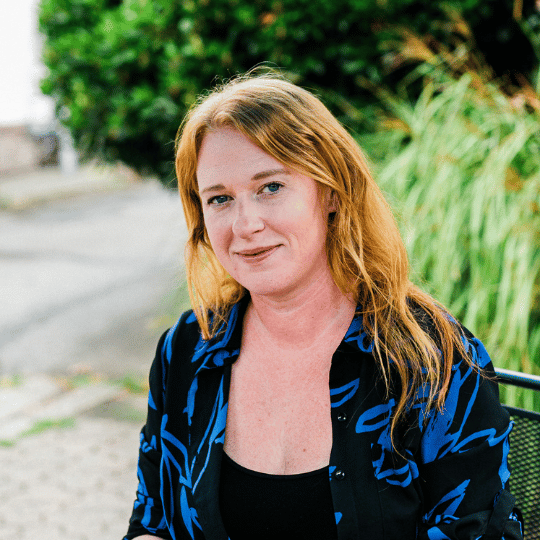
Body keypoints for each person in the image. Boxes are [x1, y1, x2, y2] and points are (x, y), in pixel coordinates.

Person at [123, 72, 523, 540]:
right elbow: (153, 521)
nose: (245, 224)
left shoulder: (431, 360)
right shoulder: (187, 351)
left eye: (271, 187)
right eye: (220, 199)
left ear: (331, 190)